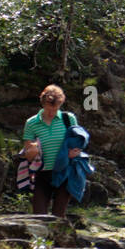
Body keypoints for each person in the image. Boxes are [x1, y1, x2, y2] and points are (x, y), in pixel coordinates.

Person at [22, 85, 82, 217]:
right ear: (42, 104)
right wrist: (32, 150)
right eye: (49, 109)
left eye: (55, 109)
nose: (51, 113)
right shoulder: (31, 123)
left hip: (64, 173)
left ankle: (59, 237)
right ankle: (40, 238)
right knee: (39, 216)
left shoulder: (69, 119)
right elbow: (28, 155)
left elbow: (78, 142)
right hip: (42, 174)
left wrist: (73, 152)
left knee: (58, 216)